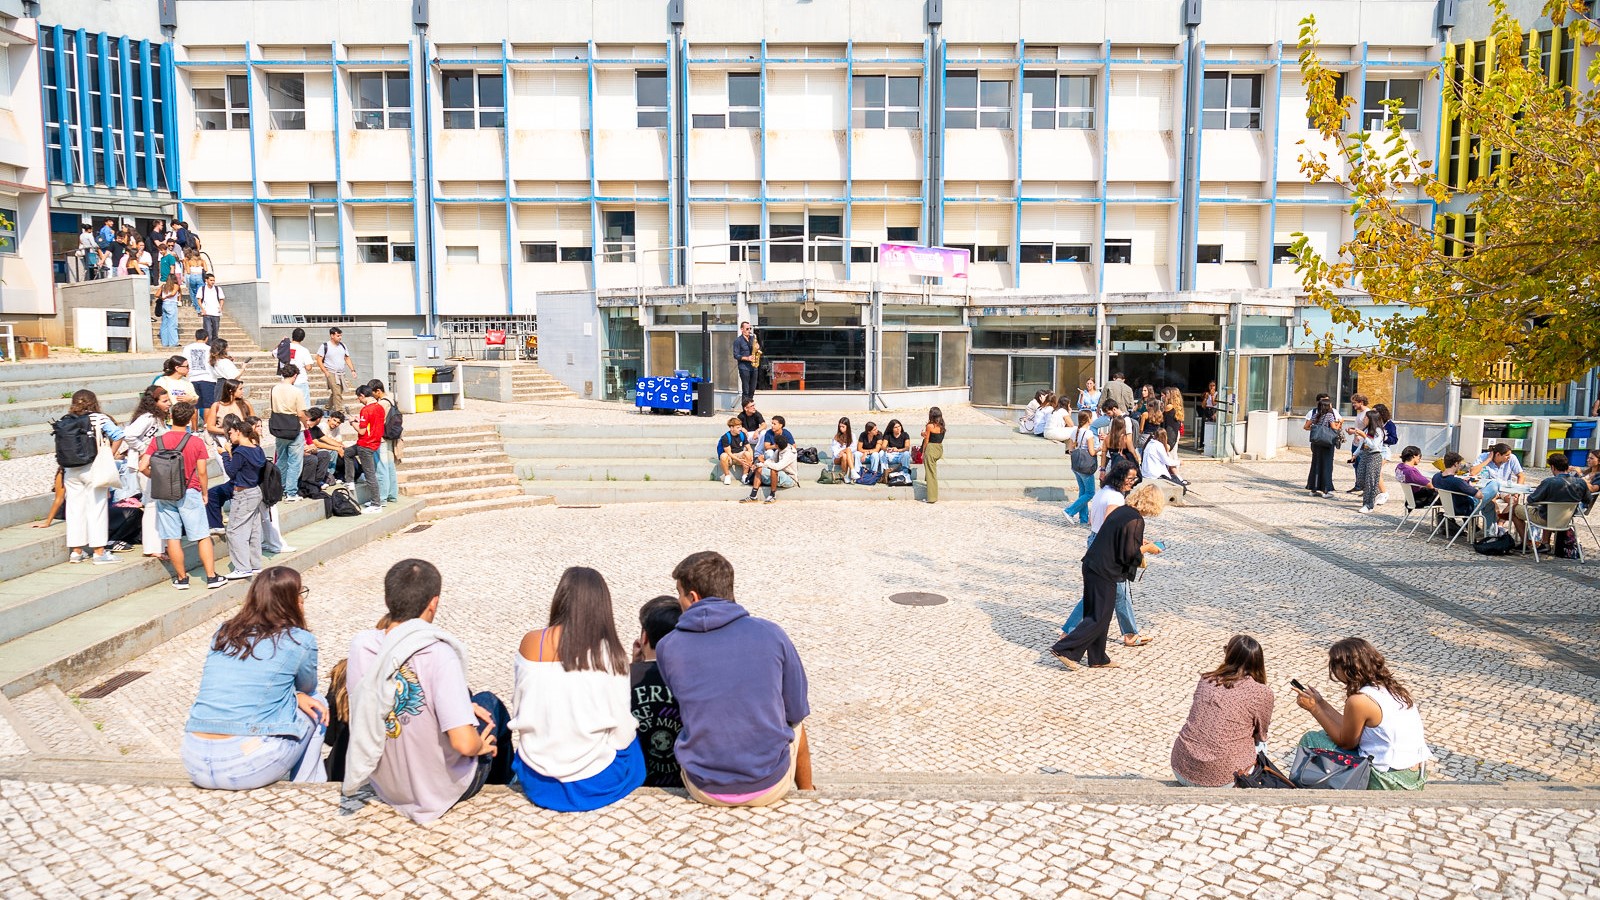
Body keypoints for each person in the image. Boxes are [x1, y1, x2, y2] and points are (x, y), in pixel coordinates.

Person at [343, 559, 513, 823]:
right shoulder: (438, 653)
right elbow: (463, 743)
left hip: (387, 784)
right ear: (433, 602)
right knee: (490, 703)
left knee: (469, 700)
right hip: (437, 789)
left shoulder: (362, 646)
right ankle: (502, 781)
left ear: (388, 598)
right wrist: (481, 744)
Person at [656, 551, 813, 806]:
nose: (678, 600)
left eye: (679, 593)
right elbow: (796, 710)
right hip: (768, 784)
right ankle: (809, 794)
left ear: (693, 597)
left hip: (703, 786)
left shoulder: (667, 646)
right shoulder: (771, 634)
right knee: (799, 727)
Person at [509, 567, 644, 812]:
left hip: (538, 779)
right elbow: (623, 733)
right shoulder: (612, 655)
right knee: (635, 749)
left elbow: (519, 706)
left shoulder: (531, 643)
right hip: (595, 781)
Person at [181, 567, 327, 790]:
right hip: (245, 764)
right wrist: (298, 695)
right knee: (317, 704)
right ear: (291, 600)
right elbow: (307, 687)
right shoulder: (299, 639)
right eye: (300, 593)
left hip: (194, 760)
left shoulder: (224, 631)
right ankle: (307, 787)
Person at [1293, 637, 1433, 790]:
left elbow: (1346, 742)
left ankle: (1308, 790)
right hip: (1415, 774)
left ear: (1347, 669)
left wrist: (1314, 709)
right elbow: (1349, 727)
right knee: (1323, 735)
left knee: (1312, 739)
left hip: (1390, 779)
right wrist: (1321, 703)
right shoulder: (1390, 689)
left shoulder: (1359, 700)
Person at [1051, 482, 1165, 669]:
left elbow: (1119, 539)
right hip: (1104, 570)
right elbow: (1129, 555)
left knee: (1097, 613)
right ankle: (1064, 649)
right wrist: (1148, 548)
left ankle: (1098, 658)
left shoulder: (1123, 511)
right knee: (1099, 616)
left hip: (1092, 565)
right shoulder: (1136, 519)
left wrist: (1137, 541)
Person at [1061, 460, 1150, 648]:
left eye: (1134, 478)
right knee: (1115, 592)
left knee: (1102, 593)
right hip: (1108, 548)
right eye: (1130, 478)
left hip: (1095, 540)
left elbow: (1094, 518)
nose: (1132, 482)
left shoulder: (1103, 491)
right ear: (1120, 477)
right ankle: (1129, 635)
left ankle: (1128, 633)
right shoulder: (1116, 498)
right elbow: (1113, 524)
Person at [140, 401, 226, 590]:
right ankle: (211, 577)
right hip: (190, 490)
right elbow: (202, 471)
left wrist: (157, 479)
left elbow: (142, 466)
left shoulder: (158, 440)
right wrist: (204, 492)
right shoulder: (195, 441)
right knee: (202, 535)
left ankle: (181, 579)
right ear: (189, 419)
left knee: (172, 537)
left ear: (171, 417)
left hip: (165, 492)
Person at [1170, 635, 1274, 788]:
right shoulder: (1262, 693)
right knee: (1261, 745)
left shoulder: (1206, 679)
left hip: (1182, 768)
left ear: (1228, 655)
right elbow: (1261, 734)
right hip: (1225, 778)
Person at [61, 390, 126, 566]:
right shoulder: (99, 418)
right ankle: (99, 552)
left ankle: (76, 552)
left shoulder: (65, 420)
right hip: (93, 467)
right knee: (97, 508)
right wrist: (110, 455)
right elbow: (119, 435)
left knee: (75, 510)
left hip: (71, 469)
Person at [630, 595, 685, 788]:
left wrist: (634, 667)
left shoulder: (621, 678)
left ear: (644, 637)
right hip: (683, 778)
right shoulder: (696, 678)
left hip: (636, 778)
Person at [122, 387, 172, 559]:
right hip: (145, 467)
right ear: (154, 402)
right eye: (165, 401)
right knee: (151, 504)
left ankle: (160, 543)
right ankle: (152, 546)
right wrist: (145, 450)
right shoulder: (148, 418)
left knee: (157, 504)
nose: (169, 403)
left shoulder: (158, 419)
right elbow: (128, 435)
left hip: (156, 465)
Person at [218, 417, 268, 580]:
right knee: (253, 529)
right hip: (255, 490)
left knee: (233, 530)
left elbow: (231, 472)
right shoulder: (257, 449)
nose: (230, 436)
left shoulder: (240, 452)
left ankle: (242, 567)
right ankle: (254, 564)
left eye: (231, 433)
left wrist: (226, 454)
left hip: (244, 493)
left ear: (239, 432)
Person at [1513, 452, 1591, 551]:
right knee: (1548, 509)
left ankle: (1526, 543)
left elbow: (1531, 500)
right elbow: (1587, 500)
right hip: (1566, 518)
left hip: (1546, 518)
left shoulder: (1549, 482)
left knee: (1514, 509)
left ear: (1553, 467)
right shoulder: (1581, 482)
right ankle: (1545, 543)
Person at [270, 364, 309, 503]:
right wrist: (306, 424)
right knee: (295, 461)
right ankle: (291, 492)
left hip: (278, 427)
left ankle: (278, 488)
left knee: (281, 459)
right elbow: (300, 413)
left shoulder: (274, 389)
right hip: (293, 428)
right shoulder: (296, 391)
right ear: (295, 375)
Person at [1470, 442, 1526, 534]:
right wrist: (1488, 460)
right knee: (1491, 503)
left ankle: (1499, 525)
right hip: (1489, 488)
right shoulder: (1484, 456)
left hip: (1505, 488)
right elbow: (1473, 473)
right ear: (1498, 454)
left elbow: (1521, 476)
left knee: (1514, 501)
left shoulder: (1512, 458)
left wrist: (1517, 492)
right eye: (1506, 455)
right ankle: (1492, 530)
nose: (1509, 457)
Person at [1430, 451, 1483, 538]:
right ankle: (1483, 531)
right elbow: (1479, 495)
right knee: (1490, 498)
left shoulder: (1436, 477)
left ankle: (1474, 529)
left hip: (1448, 507)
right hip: (1461, 508)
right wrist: (1468, 486)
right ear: (1455, 464)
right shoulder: (1457, 482)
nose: (1460, 467)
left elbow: (1448, 484)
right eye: (1459, 464)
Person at [350, 385, 385, 512]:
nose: (358, 400)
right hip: (375, 442)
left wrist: (352, 422)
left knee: (370, 475)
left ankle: (376, 504)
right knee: (348, 452)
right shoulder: (379, 407)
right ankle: (349, 480)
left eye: (358, 398)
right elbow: (373, 423)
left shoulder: (365, 410)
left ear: (362, 396)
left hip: (365, 445)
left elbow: (362, 430)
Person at [1062, 411, 1100, 524]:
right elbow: (1092, 452)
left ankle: (1083, 518)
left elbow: (1071, 449)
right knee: (1090, 493)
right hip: (1086, 467)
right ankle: (1069, 511)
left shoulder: (1074, 431)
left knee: (1083, 491)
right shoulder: (1089, 434)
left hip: (1076, 466)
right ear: (1088, 419)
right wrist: (1100, 448)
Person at [368, 380, 400, 506]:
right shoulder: (392, 399)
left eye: (373, 394)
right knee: (390, 467)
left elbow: (376, 421)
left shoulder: (381, 404)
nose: (372, 396)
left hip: (381, 438)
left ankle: (382, 498)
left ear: (378, 391)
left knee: (381, 468)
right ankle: (393, 494)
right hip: (391, 437)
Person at [1303, 394, 1341, 498]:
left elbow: (1306, 426)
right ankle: (1326, 489)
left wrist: (1317, 430)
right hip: (1327, 443)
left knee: (1316, 464)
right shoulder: (1329, 416)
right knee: (1327, 465)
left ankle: (1313, 488)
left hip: (1316, 443)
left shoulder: (1315, 415)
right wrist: (1340, 423)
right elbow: (1334, 428)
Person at [1352, 405, 1389, 514]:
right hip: (1365, 455)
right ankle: (1375, 492)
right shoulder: (1367, 429)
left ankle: (1368, 505)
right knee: (1361, 478)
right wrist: (1355, 454)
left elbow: (1374, 446)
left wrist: (1364, 435)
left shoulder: (1378, 431)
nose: (1363, 419)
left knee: (1370, 481)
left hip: (1374, 456)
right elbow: (1362, 444)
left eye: (1365, 418)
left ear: (1371, 419)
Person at [315, 327, 358, 416]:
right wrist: (325, 371)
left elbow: (347, 358)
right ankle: (339, 412)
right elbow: (319, 360)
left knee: (336, 392)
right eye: (338, 335)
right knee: (337, 393)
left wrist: (352, 370)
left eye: (340, 335)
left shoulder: (343, 346)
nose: (340, 337)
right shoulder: (325, 346)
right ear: (332, 336)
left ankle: (327, 408)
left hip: (341, 373)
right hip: (330, 372)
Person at [746, 433, 798, 503]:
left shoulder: (790, 453)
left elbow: (778, 466)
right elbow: (771, 461)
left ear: (777, 445)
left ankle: (772, 495)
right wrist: (757, 465)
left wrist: (764, 462)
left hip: (790, 478)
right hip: (779, 474)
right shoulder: (778, 451)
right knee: (759, 469)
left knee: (774, 470)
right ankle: (753, 495)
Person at [205, 379, 252, 454]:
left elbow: (253, 422)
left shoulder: (245, 405)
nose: (242, 391)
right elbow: (210, 427)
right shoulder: (217, 406)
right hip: (223, 442)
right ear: (231, 390)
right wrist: (227, 431)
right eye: (240, 389)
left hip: (242, 441)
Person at [1140, 429, 1188, 498]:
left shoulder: (1149, 443)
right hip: (1156, 475)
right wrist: (1179, 462)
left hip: (1146, 473)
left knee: (1174, 478)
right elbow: (1167, 461)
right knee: (1182, 488)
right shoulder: (1158, 445)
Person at [182, 329, 219, 419]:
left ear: (195, 337)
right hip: (208, 378)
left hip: (192, 378)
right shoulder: (210, 349)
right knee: (208, 405)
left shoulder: (187, 348)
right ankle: (207, 427)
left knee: (193, 405)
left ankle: (194, 429)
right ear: (207, 338)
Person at [1393, 446, 1438, 511]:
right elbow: (1430, 485)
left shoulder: (1400, 467)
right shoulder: (1411, 471)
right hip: (1418, 499)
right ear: (1414, 456)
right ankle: (1445, 518)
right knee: (1442, 494)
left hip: (1409, 498)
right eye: (1419, 457)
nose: (1420, 459)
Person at [920, 407, 945, 504]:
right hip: (939, 448)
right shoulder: (942, 425)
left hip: (931, 449)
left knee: (931, 474)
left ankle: (931, 497)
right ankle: (930, 490)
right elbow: (934, 437)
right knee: (931, 471)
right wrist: (924, 434)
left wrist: (923, 452)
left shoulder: (930, 426)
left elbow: (927, 441)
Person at [716, 416, 752, 485]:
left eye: (740, 427)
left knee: (748, 453)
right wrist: (739, 460)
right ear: (731, 428)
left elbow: (749, 448)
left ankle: (744, 476)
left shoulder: (742, 434)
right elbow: (728, 453)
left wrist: (751, 457)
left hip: (739, 455)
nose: (740, 429)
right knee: (723, 456)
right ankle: (727, 476)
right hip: (730, 457)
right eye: (738, 427)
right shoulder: (725, 437)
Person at [288, 327, 315, 409]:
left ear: (292, 336)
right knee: (303, 406)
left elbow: (274, 354)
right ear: (303, 338)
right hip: (300, 380)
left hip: (286, 381)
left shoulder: (284, 348)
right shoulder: (304, 350)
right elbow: (308, 367)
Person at [733, 320, 759, 404]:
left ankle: (751, 407)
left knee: (752, 389)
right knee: (746, 390)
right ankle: (745, 410)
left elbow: (756, 350)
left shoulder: (752, 339)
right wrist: (747, 358)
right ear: (742, 329)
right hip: (744, 368)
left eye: (750, 328)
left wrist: (758, 348)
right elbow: (736, 355)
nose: (749, 330)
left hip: (754, 367)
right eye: (747, 329)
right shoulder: (738, 341)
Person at [195, 273, 225, 342]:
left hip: (216, 313)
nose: (212, 282)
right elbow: (199, 300)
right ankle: (208, 347)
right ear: (206, 280)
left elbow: (221, 299)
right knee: (208, 332)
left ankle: (214, 348)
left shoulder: (218, 289)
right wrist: (202, 309)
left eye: (213, 280)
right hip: (207, 313)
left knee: (215, 332)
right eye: (211, 280)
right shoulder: (202, 289)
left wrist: (220, 307)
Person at [156, 273, 182, 347]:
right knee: (172, 324)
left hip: (164, 304)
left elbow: (157, 295)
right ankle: (173, 343)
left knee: (164, 324)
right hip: (172, 304)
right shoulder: (176, 286)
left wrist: (163, 298)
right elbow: (173, 294)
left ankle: (165, 342)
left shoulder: (163, 286)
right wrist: (167, 296)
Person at [827, 417, 855, 483]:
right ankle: (853, 471)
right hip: (837, 457)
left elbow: (854, 448)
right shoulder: (837, 436)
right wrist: (842, 451)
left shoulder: (852, 435)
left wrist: (844, 451)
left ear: (847, 427)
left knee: (845, 455)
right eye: (840, 426)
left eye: (843, 427)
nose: (841, 428)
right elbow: (835, 451)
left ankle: (845, 476)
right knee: (847, 451)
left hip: (847, 457)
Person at [1161, 387, 1185, 452]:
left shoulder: (1169, 407)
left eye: (1168, 393)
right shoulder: (1178, 407)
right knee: (1173, 454)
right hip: (1175, 432)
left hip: (1169, 432)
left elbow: (1161, 418)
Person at [1197, 381, 1219, 452]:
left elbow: (1214, 403)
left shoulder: (1217, 394)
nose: (1212, 387)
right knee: (1204, 427)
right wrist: (1206, 398)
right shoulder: (1207, 394)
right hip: (1206, 410)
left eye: (1213, 385)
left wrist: (1212, 396)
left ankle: (1211, 445)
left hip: (1213, 410)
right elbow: (1203, 405)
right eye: (1210, 386)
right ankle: (1202, 445)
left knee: (1212, 427)